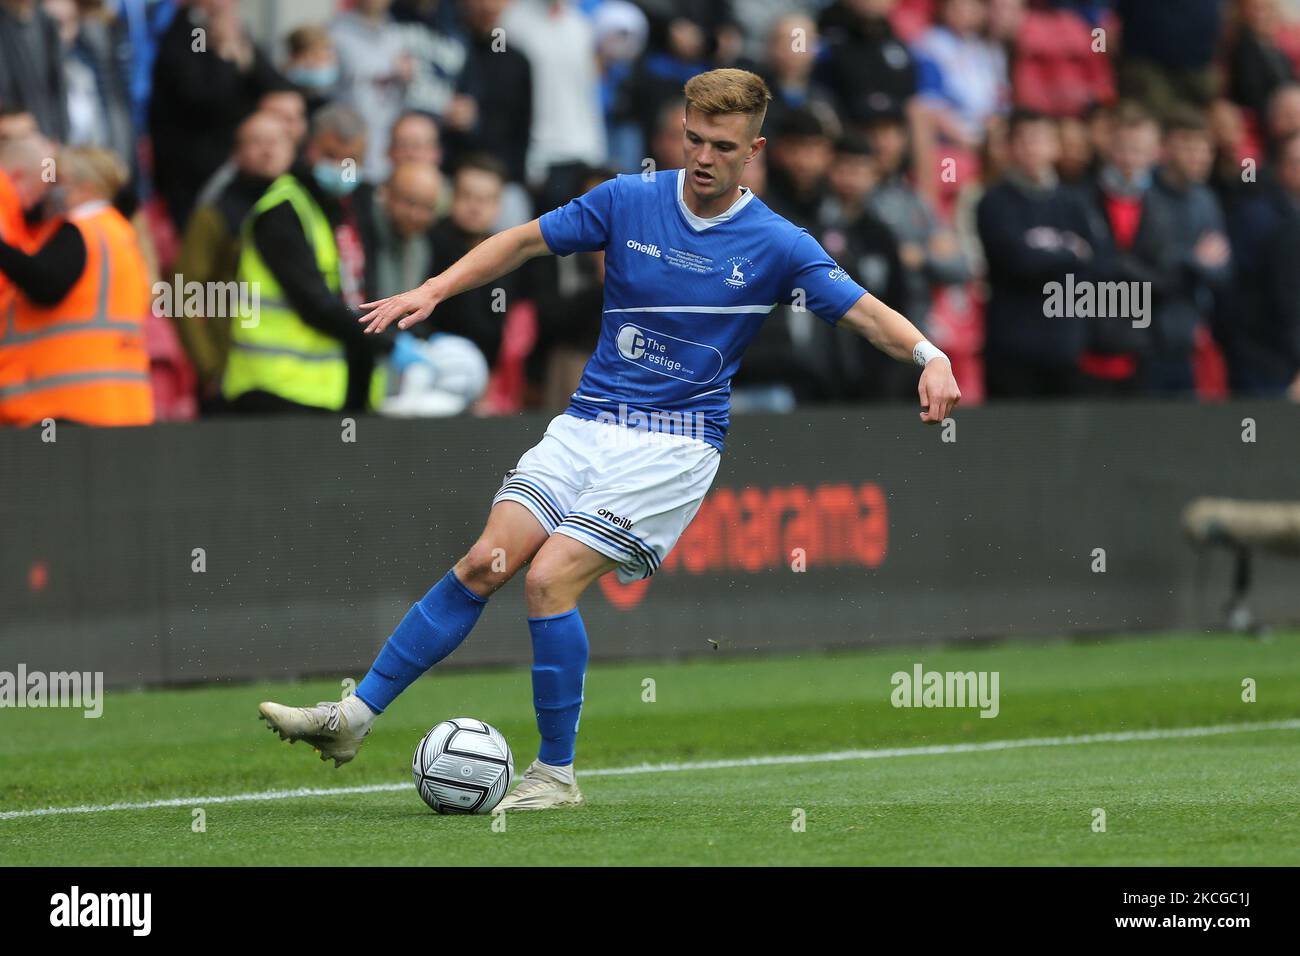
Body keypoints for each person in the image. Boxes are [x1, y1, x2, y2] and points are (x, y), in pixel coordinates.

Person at [257, 68, 961, 811]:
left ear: (753, 149)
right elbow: (523, 243)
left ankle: (555, 774)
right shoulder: (628, 199)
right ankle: (352, 719)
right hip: (588, 421)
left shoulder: (778, 245)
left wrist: (932, 355)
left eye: (721, 145)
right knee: (483, 564)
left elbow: (866, 313)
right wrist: (434, 289)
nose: (702, 157)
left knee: (547, 579)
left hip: (675, 444)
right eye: (692, 138)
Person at [220, 103, 390, 414]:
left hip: (343, 385)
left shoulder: (358, 205)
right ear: (309, 149)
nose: (342, 167)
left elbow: (365, 285)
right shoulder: (282, 209)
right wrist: (386, 340)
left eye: (351, 159)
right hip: (277, 391)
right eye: (330, 155)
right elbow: (316, 304)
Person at [0, 145, 153, 426]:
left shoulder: (80, 232)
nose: (50, 191)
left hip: (68, 407)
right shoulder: (118, 233)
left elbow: (45, 283)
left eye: (57, 182)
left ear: (86, 187)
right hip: (118, 404)